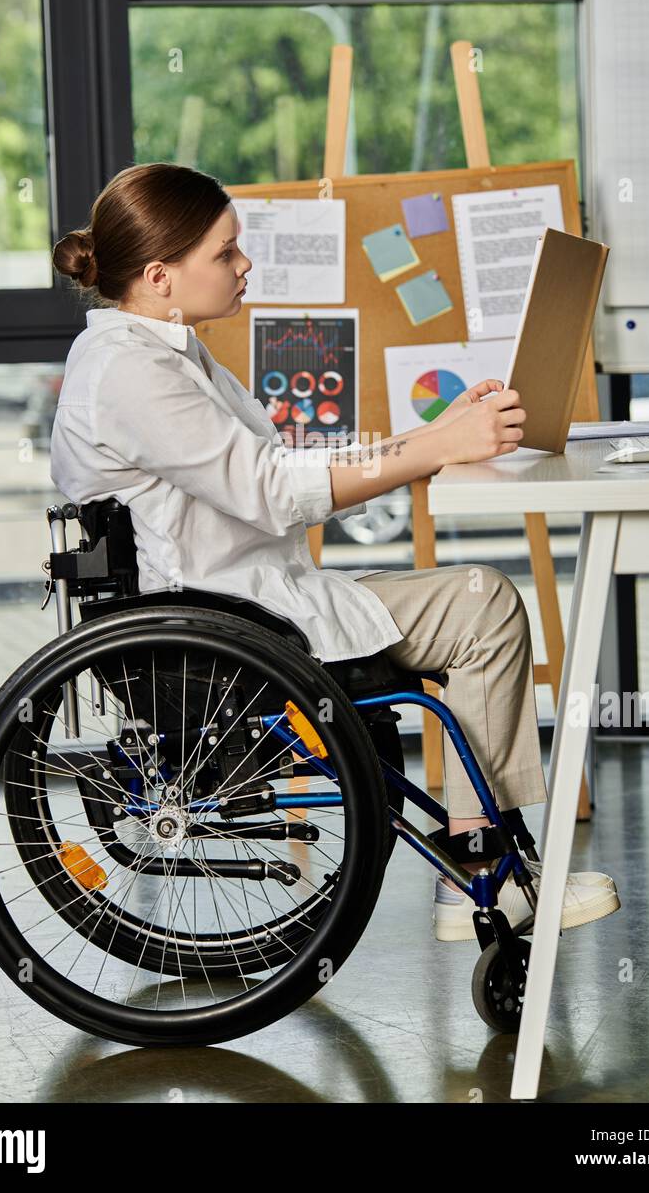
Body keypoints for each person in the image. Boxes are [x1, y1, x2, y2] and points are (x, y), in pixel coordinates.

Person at [50, 161, 619, 942]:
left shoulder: (164, 351)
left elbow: (285, 468)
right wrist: (429, 452)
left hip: (250, 599)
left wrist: (432, 433)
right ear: (160, 276)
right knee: (482, 606)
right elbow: (273, 490)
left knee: (480, 598)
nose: (244, 265)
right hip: (229, 627)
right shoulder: (131, 371)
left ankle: (484, 860)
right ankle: (482, 870)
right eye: (225, 253)